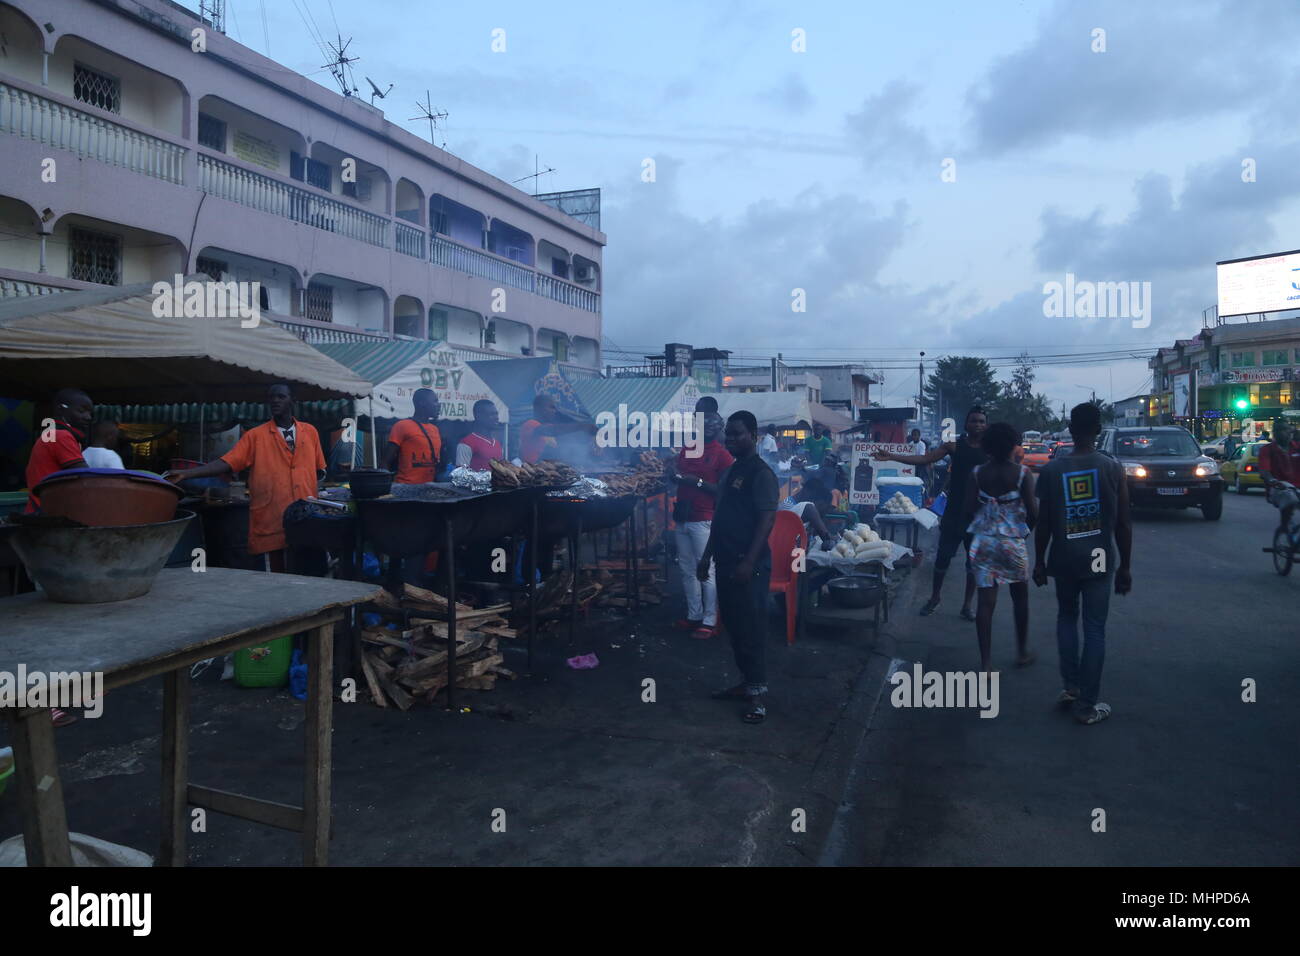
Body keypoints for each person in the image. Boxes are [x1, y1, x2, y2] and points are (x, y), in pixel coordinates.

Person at [1033, 402, 1131, 726]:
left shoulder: (1051, 470)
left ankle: (1072, 687)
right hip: (1099, 557)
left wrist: (1039, 562)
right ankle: (1087, 705)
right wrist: (1126, 567)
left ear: (1071, 430)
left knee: (1066, 617)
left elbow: (1043, 522)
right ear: (1099, 430)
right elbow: (1124, 523)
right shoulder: (1113, 468)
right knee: (1094, 628)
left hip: (1063, 556)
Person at [167, 383, 325, 570]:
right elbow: (227, 462)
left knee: (305, 565)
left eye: (281, 397)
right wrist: (187, 474)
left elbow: (318, 470)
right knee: (278, 569)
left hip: (304, 514)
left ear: (293, 400)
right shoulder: (255, 436)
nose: (275, 400)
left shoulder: (310, 432)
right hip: (272, 513)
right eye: (271, 397)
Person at [698, 411, 778, 724]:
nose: (730, 440)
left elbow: (767, 520)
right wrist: (707, 556)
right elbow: (720, 517)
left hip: (750, 566)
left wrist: (748, 561)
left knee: (752, 628)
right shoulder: (731, 471)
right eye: (728, 435)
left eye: (737, 434)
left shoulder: (761, 473)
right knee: (733, 626)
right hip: (726, 560)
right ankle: (746, 684)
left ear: (754, 435)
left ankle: (757, 697)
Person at [876, 406, 989, 618]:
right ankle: (935, 598)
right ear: (966, 424)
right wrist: (891, 456)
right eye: (974, 421)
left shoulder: (990, 449)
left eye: (982, 421)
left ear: (987, 425)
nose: (978, 425)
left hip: (979, 516)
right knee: (942, 560)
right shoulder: (954, 445)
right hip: (954, 513)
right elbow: (925, 459)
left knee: (974, 564)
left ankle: (967, 606)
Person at [963, 423, 1037, 671]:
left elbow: (968, 509)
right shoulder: (1022, 473)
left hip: (984, 541)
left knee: (985, 602)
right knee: (1020, 598)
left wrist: (987, 515)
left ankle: (986, 664)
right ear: (1012, 445)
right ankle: (1022, 651)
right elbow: (1033, 513)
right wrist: (1021, 533)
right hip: (1012, 542)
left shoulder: (977, 473)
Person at [668, 411, 732, 640]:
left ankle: (710, 619)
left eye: (709, 426)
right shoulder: (687, 449)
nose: (704, 429)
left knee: (706, 570)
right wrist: (672, 473)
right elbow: (678, 476)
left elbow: (724, 491)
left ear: (717, 429)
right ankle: (693, 615)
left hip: (704, 519)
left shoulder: (723, 455)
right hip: (683, 516)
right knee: (686, 570)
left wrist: (699, 482)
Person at [25, 387, 91, 513]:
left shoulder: (51, 434)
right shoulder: (61, 436)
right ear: (61, 409)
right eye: (82, 411)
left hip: (39, 508)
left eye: (89, 413)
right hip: (49, 511)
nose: (88, 417)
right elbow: (84, 476)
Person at [383, 388, 441, 483]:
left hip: (429, 490)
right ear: (422, 403)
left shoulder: (435, 429)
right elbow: (385, 461)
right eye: (435, 401)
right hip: (405, 489)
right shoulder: (402, 426)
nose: (438, 405)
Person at [520, 394, 596, 464]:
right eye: (551, 407)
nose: (555, 411)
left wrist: (590, 443)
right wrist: (581, 426)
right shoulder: (530, 424)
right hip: (531, 471)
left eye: (555, 408)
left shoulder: (550, 425)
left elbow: (567, 443)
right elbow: (551, 430)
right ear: (539, 408)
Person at [456, 400, 505, 471]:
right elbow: (460, 475)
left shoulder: (498, 444)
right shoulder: (466, 443)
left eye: (496, 414)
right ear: (478, 416)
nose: (496, 417)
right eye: (491, 414)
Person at [908, 428, 931, 495]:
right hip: (912, 466)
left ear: (919, 436)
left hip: (920, 466)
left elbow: (921, 456)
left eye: (915, 435)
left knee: (920, 482)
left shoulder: (922, 444)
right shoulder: (910, 444)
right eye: (913, 435)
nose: (914, 437)